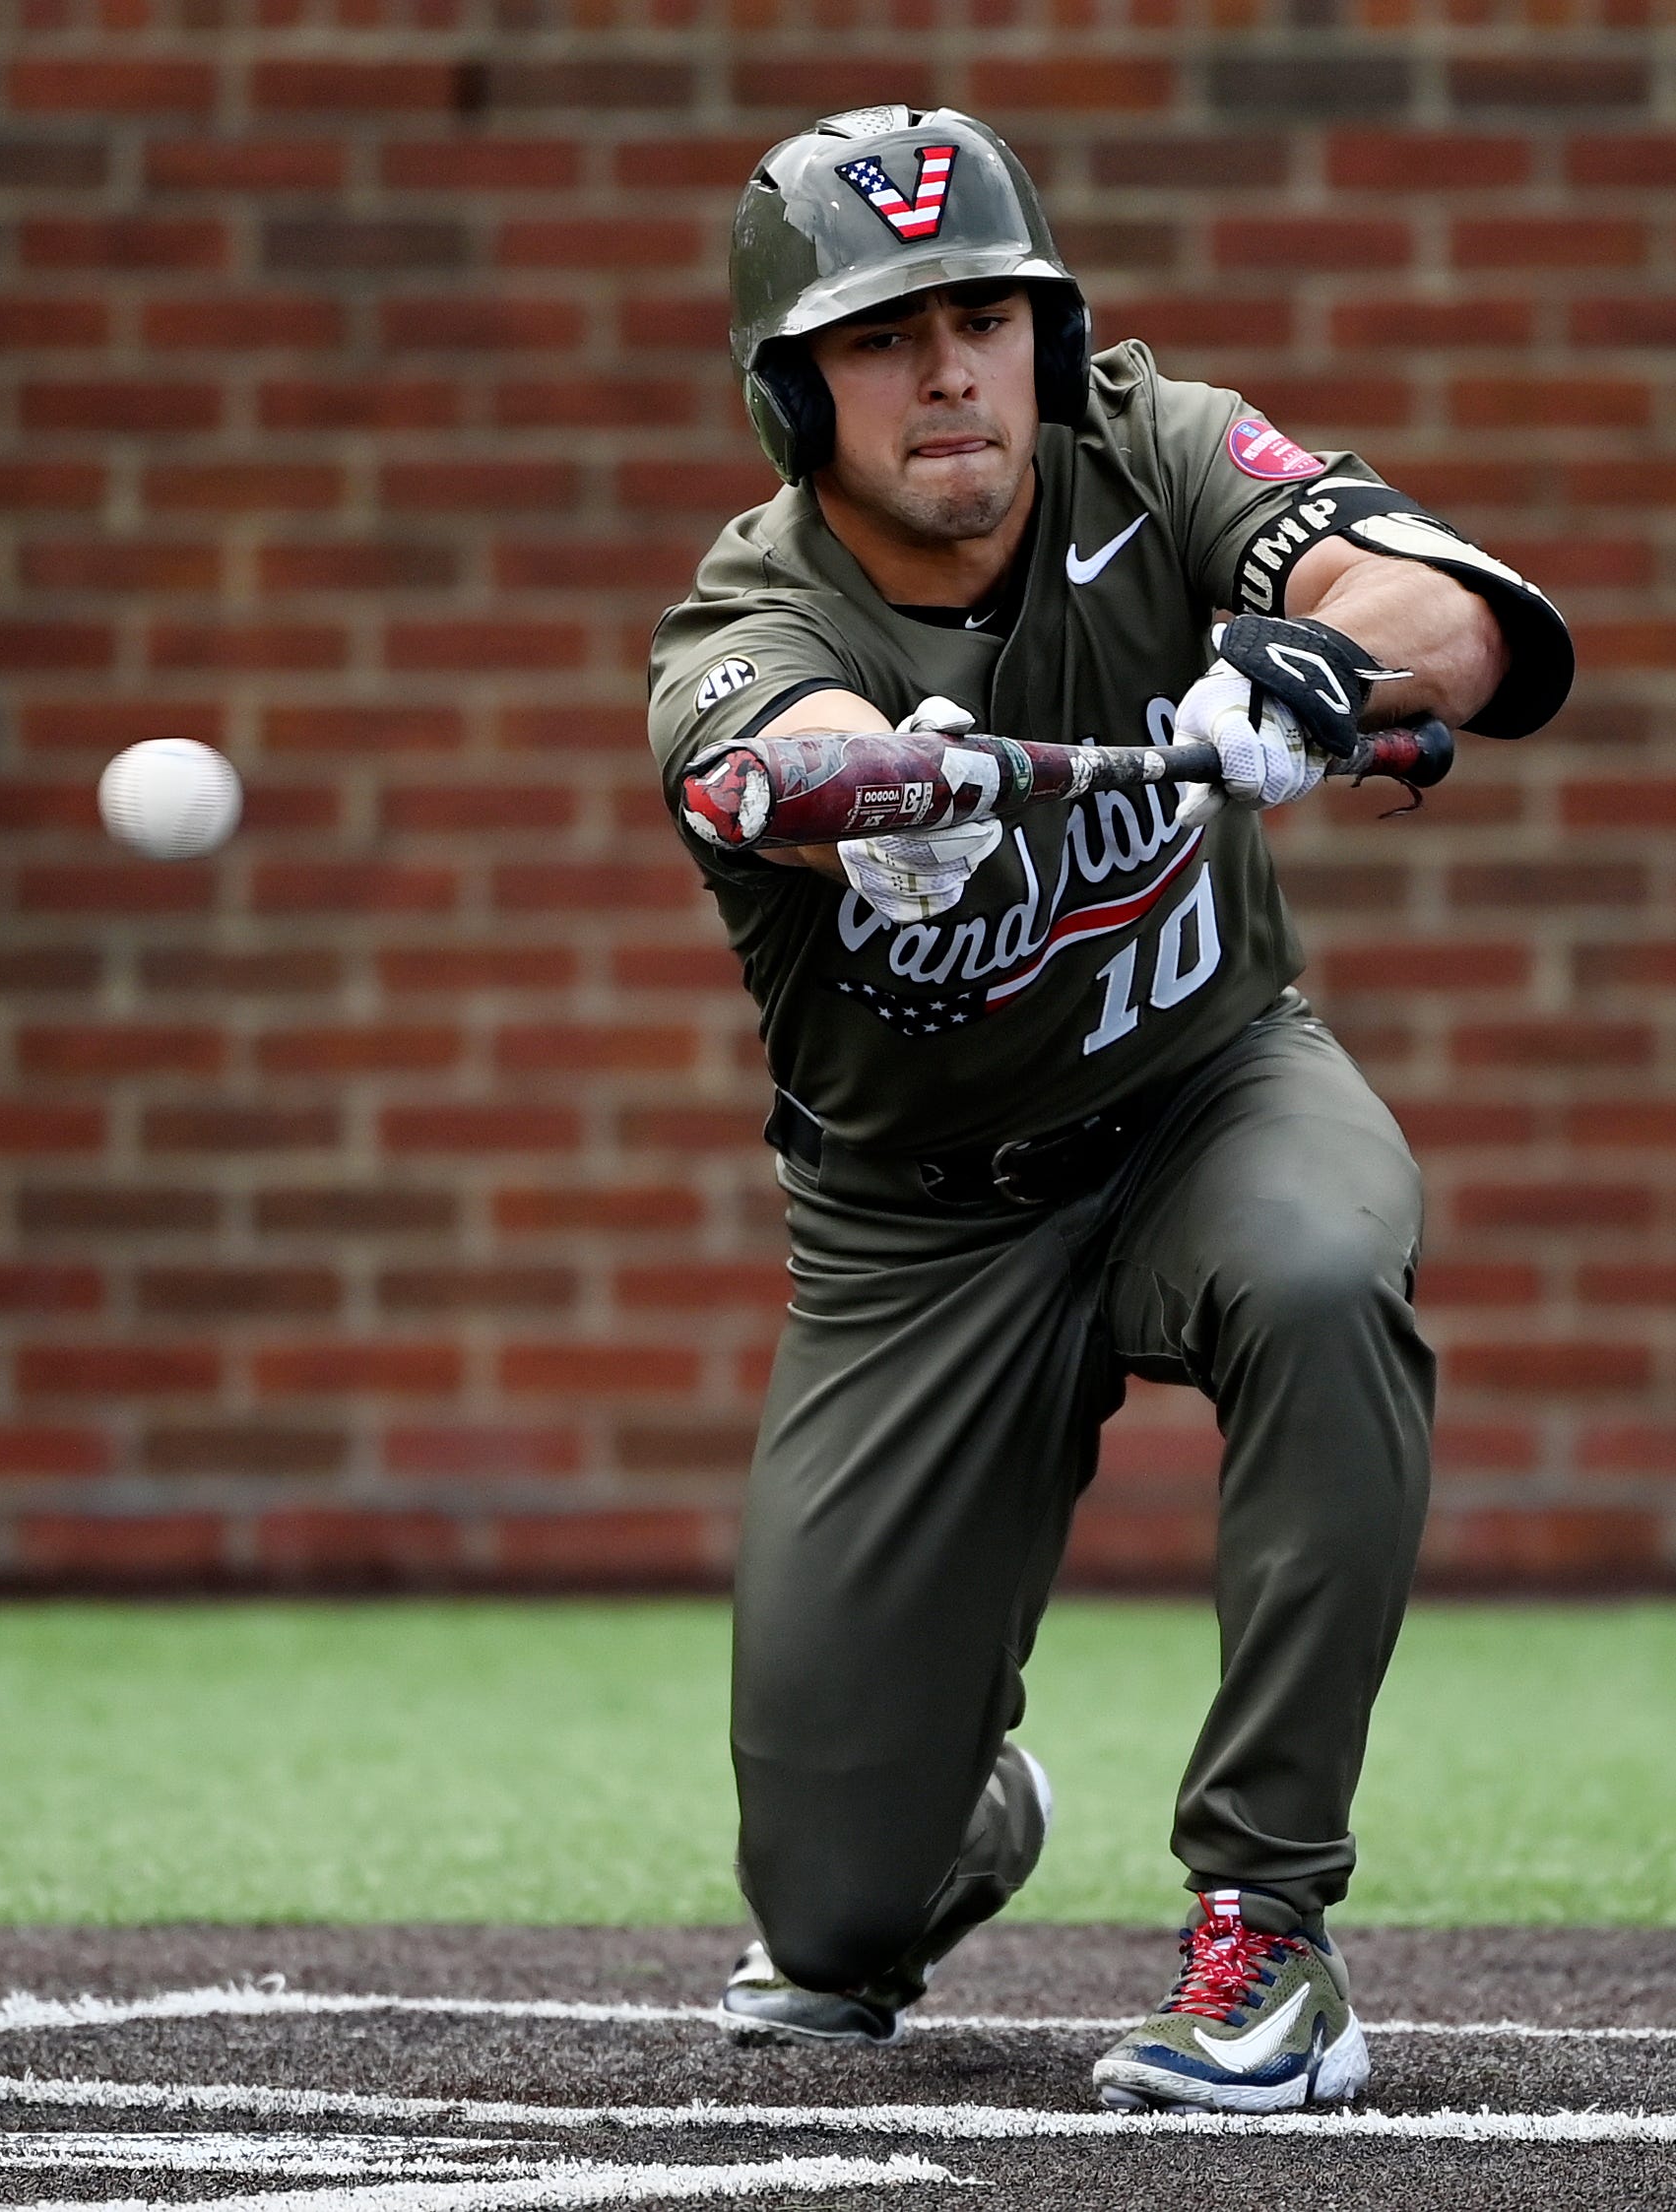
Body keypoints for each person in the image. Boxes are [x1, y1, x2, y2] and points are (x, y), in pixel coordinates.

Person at [646, 105, 1572, 2113]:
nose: (950, 369)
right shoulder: (750, 613)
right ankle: (940, 1818)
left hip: (1207, 1099)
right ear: (794, 392)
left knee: (1328, 1262)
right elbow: (778, 760)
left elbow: (1463, 611)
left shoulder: (1152, 446)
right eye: (885, 338)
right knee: (825, 1925)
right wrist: (884, 788)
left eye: (985, 317)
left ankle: (1269, 1928)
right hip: (922, 1229)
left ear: (1048, 343)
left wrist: (1314, 659)